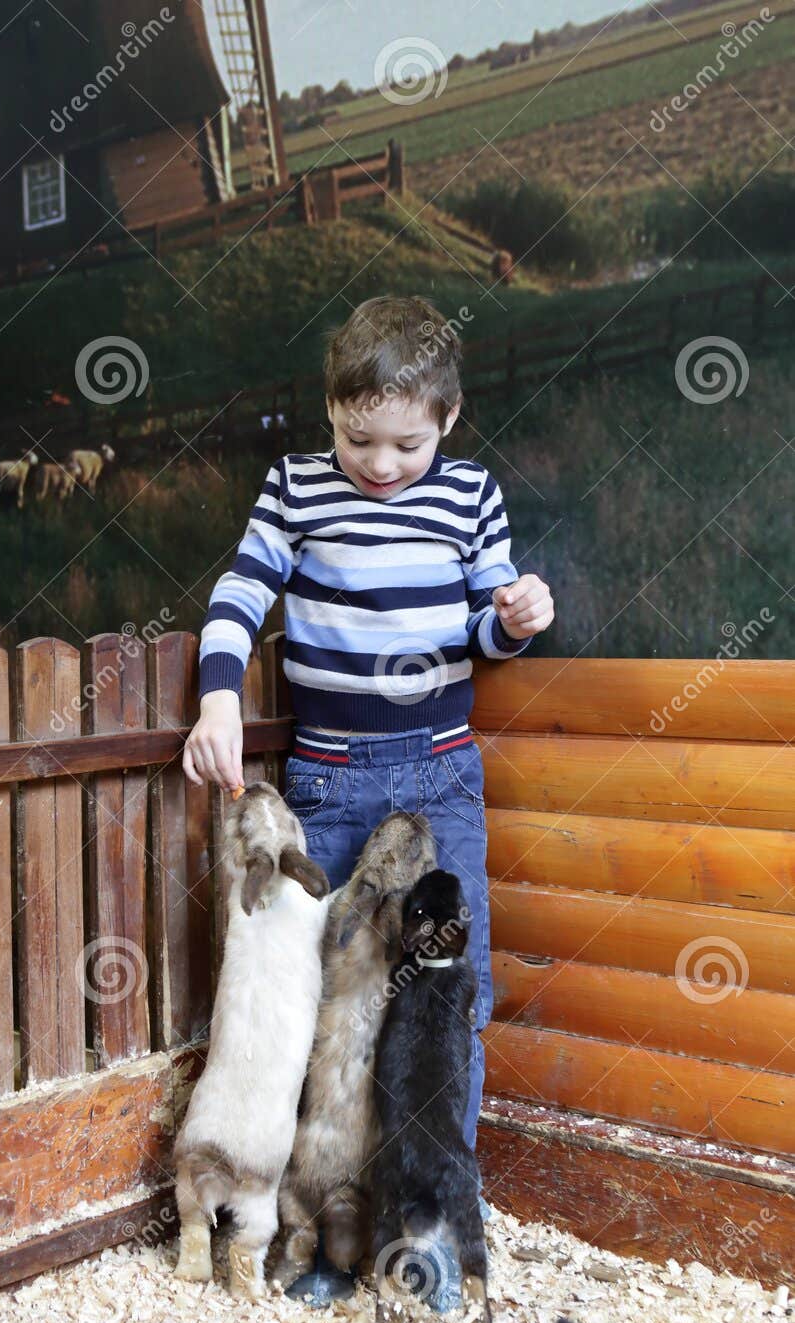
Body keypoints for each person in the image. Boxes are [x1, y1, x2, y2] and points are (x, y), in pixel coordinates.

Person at [183, 294, 554, 1152]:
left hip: (441, 773)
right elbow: (239, 593)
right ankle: (325, 1216)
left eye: (406, 444)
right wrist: (217, 698)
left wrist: (520, 617)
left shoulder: (470, 495)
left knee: (443, 989)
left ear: (448, 417)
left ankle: (428, 1213)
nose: (379, 464)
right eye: (358, 439)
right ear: (329, 412)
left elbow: (486, 631)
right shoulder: (294, 487)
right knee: (316, 994)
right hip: (328, 777)